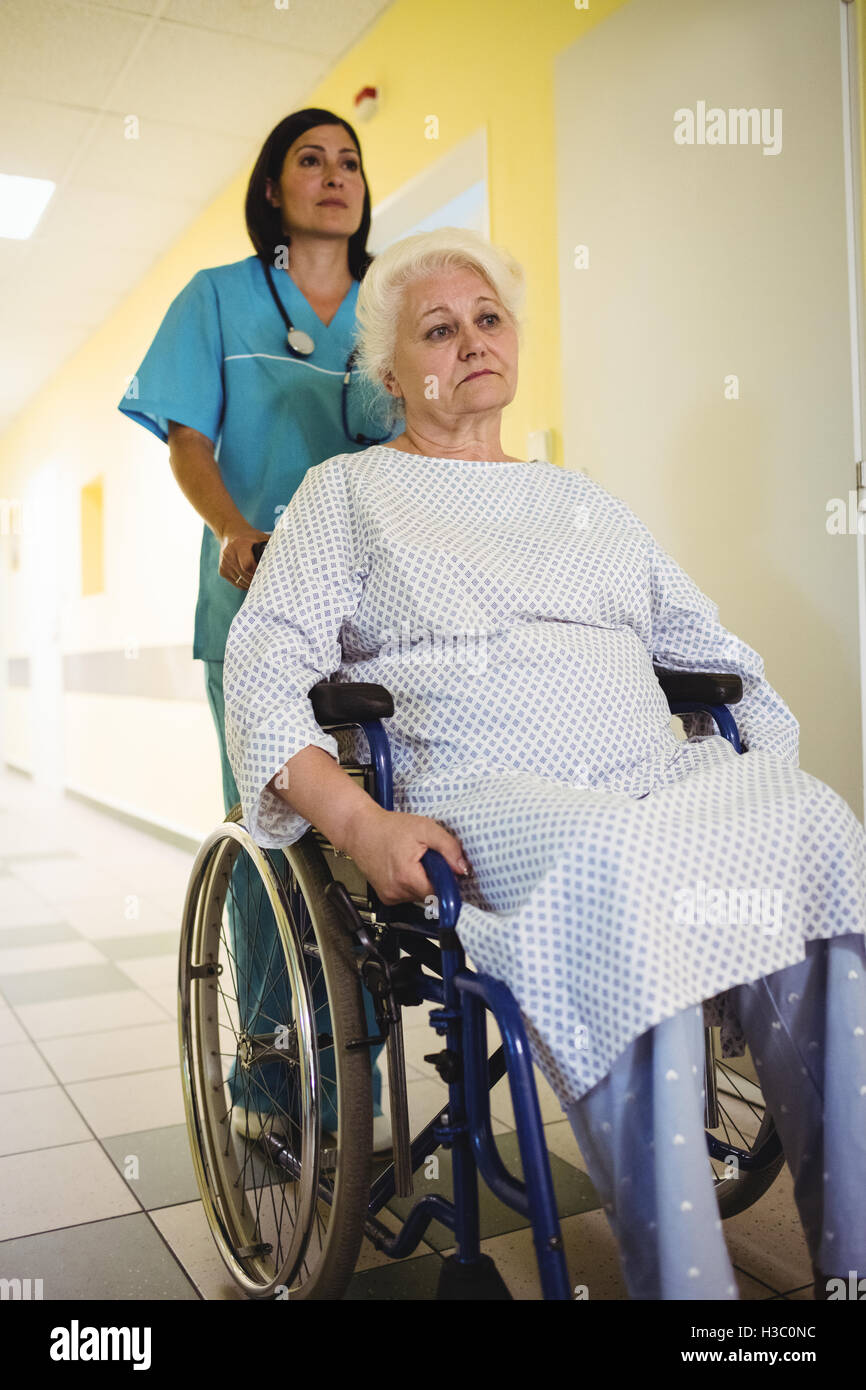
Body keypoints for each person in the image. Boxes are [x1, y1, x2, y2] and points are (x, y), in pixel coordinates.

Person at [221, 226, 866, 1300]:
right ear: (391, 374)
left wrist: (750, 787)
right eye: (439, 329)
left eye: (487, 319)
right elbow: (262, 670)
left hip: (648, 783)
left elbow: (719, 660)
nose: (471, 340)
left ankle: (847, 1272)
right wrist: (362, 824)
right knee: (616, 865)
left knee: (813, 827)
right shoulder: (349, 494)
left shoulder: (585, 500)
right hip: (488, 798)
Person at [117, 107, 397, 1146]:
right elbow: (188, 439)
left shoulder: (385, 309)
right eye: (309, 160)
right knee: (276, 830)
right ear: (273, 190)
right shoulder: (218, 298)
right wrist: (234, 528)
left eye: (350, 161)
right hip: (259, 597)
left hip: (368, 615)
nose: (333, 176)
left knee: (367, 827)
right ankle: (268, 1065)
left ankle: (355, 1055)